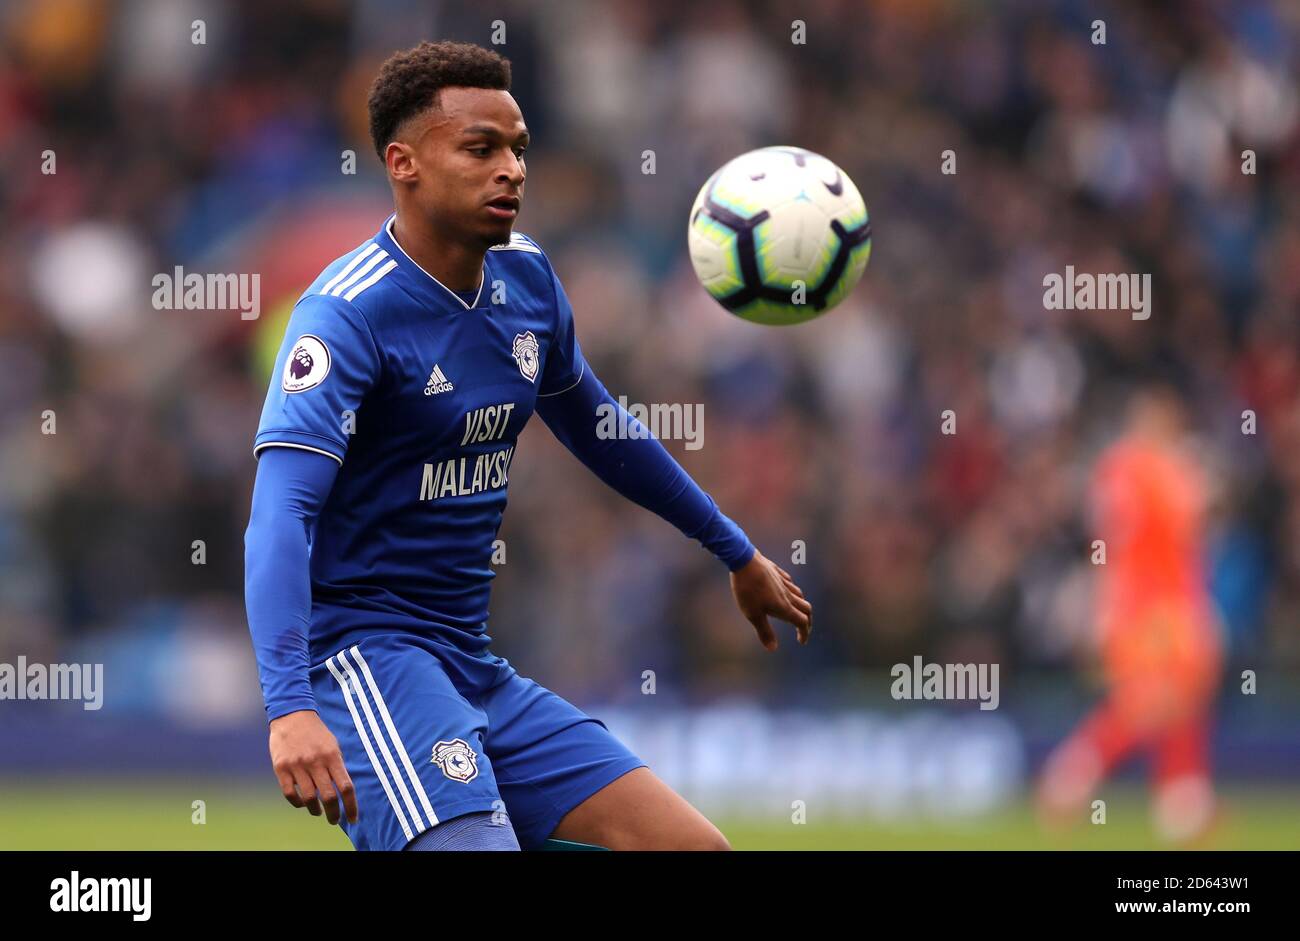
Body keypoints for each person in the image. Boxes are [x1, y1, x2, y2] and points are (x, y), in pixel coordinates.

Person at [243, 39, 812, 851]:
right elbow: (279, 516)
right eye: (480, 149)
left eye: (517, 148)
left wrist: (735, 551)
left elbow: (600, 426)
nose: (510, 168)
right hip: (369, 660)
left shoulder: (529, 280)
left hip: (470, 661)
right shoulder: (346, 316)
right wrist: (289, 703)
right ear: (403, 163)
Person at [1038, 384, 1223, 842]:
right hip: (1156, 604)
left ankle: (1181, 799)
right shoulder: (1152, 467)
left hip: (1143, 601)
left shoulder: (1115, 468)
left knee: (1175, 697)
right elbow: (1192, 516)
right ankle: (1078, 771)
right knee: (1155, 700)